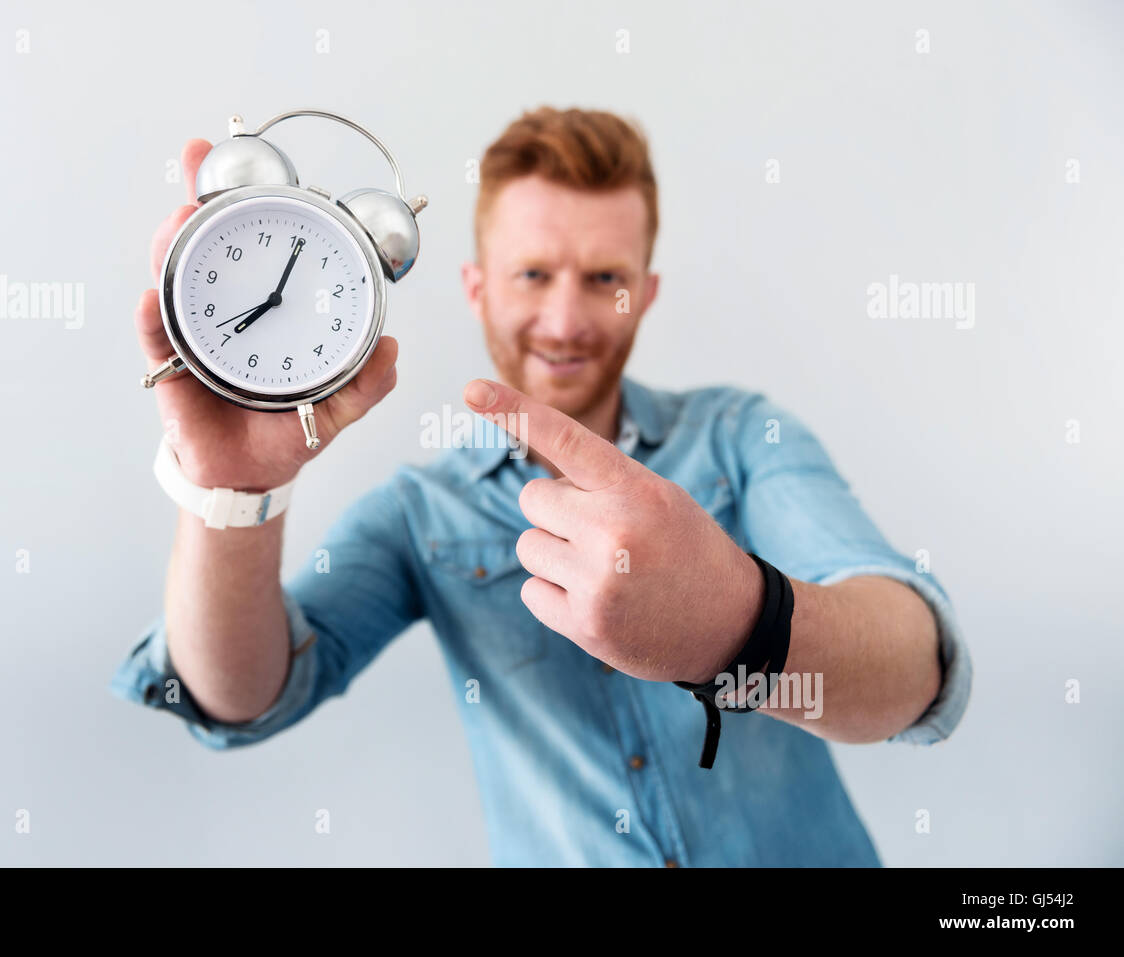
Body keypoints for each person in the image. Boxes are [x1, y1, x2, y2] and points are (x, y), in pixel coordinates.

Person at [110, 106, 972, 867]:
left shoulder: (744, 436)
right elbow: (240, 696)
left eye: (605, 279)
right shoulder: (422, 514)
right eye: (531, 275)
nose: (565, 321)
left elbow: (916, 667)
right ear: (476, 289)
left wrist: (733, 624)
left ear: (646, 292)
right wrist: (226, 493)